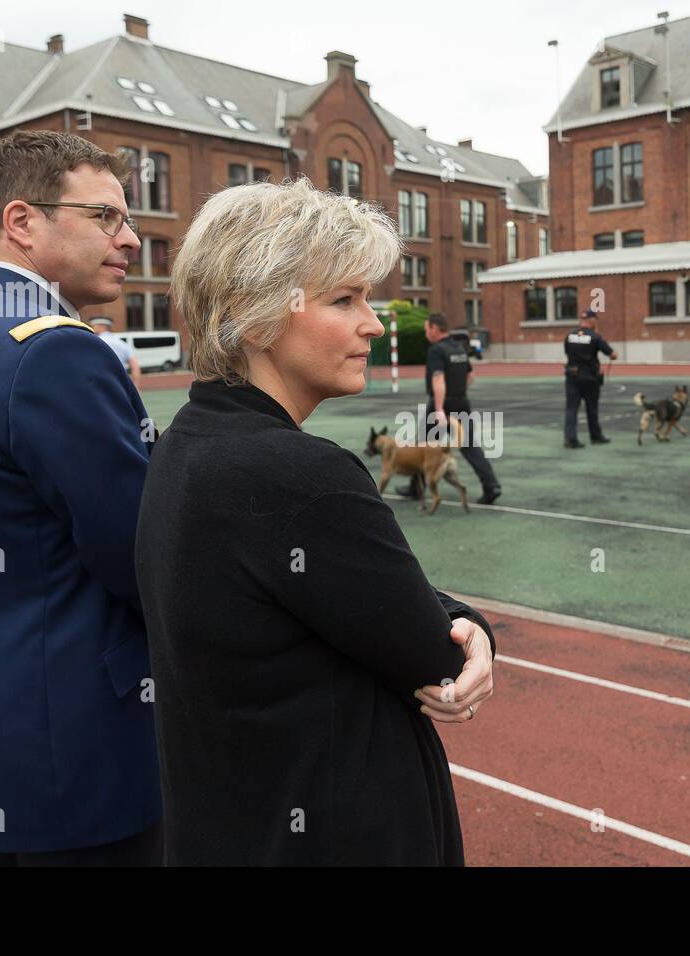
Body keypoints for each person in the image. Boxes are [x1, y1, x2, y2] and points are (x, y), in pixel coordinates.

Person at [138, 178, 497, 865]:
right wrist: (470, 630)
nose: (375, 322)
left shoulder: (185, 441)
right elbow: (434, 654)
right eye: (344, 299)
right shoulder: (300, 477)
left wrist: (446, 614)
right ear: (257, 313)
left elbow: (350, 602)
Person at [0, 130, 162, 866]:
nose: (131, 239)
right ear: (22, 222)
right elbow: (139, 555)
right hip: (81, 739)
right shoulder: (56, 349)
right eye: (107, 216)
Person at [411, 312, 500, 504]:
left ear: (435, 328)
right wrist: (458, 392)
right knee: (469, 445)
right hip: (462, 402)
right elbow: (471, 376)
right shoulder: (459, 348)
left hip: (441, 405)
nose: (426, 333)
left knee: (424, 446)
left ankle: (415, 487)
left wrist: (440, 409)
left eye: (427, 329)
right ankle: (491, 485)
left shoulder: (437, 350)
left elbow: (438, 379)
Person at [563, 309, 617, 448]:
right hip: (589, 377)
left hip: (572, 375)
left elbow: (567, 352)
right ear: (592, 320)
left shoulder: (570, 335)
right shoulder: (595, 337)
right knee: (591, 408)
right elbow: (612, 354)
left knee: (571, 409)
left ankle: (570, 439)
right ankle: (596, 436)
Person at [88, 315, 142, 387]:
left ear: (101, 326)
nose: (91, 328)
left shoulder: (93, 342)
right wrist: (136, 386)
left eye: (93, 326)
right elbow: (135, 366)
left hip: (98, 384)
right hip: (120, 384)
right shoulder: (123, 344)